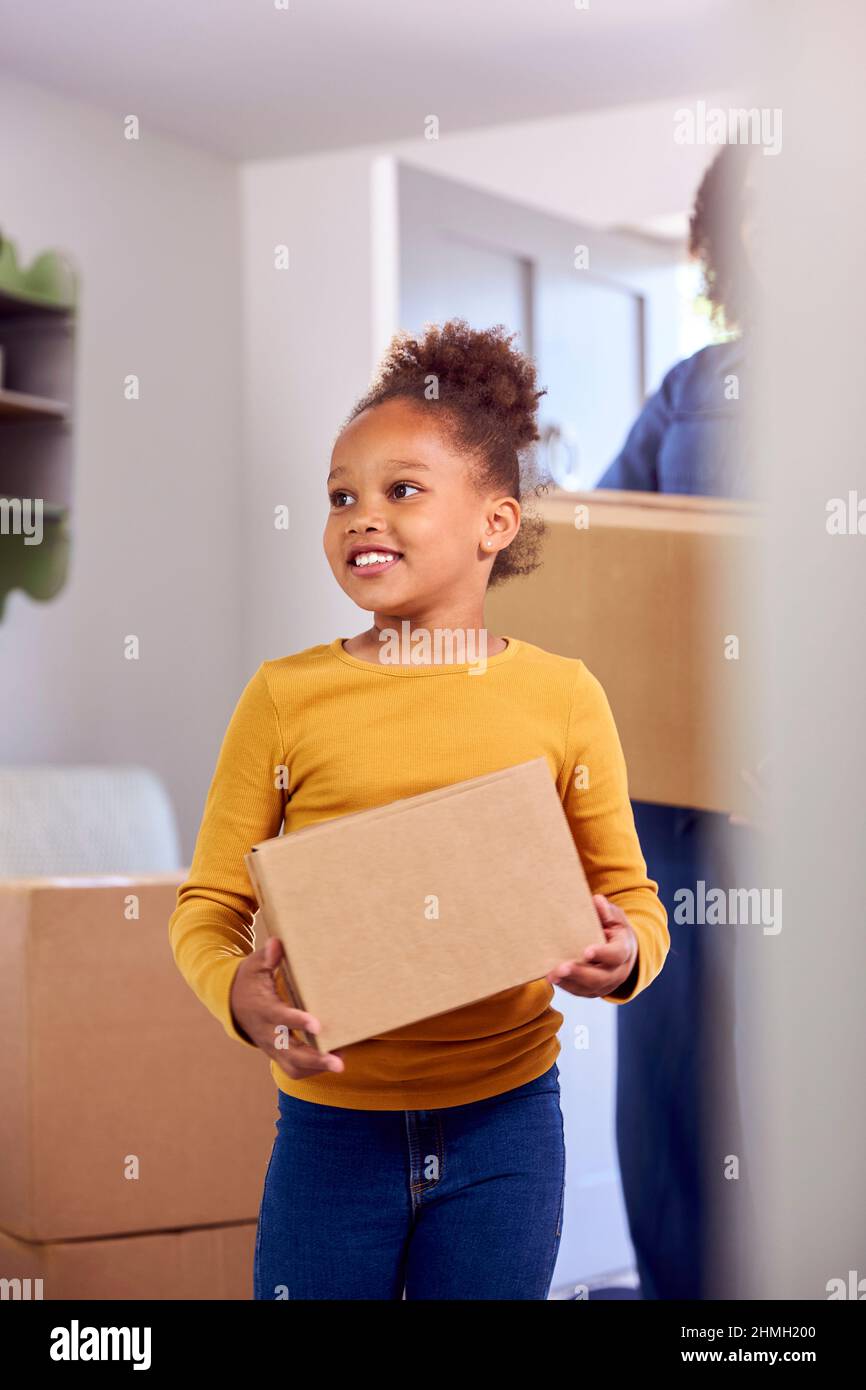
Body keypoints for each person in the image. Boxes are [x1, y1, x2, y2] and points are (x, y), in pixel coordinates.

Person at [169, 319, 669, 1300]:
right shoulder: (284, 697)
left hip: (508, 1130)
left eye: (400, 489)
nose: (361, 514)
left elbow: (634, 903)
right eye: (340, 496)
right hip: (330, 1131)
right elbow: (205, 909)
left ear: (494, 521)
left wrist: (620, 958)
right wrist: (240, 998)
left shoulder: (564, 698)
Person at [596, 143, 758, 1299]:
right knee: (676, 1074)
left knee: (681, 1081)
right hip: (684, 805)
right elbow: (594, 566)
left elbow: (586, 559)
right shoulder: (688, 391)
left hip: (699, 807)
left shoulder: (700, 390)